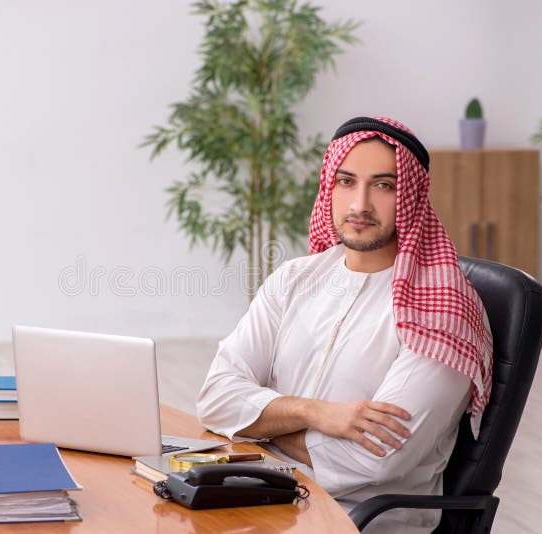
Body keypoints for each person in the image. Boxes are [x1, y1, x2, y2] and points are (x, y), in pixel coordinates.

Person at [196, 116, 493, 534]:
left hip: (359, 522)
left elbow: (375, 459)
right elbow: (215, 399)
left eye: (384, 185)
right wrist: (316, 414)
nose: (360, 205)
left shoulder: (443, 311)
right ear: (329, 189)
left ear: (410, 197)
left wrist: (263, 429)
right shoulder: (294, 279)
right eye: (347, 182)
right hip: (264, 497)